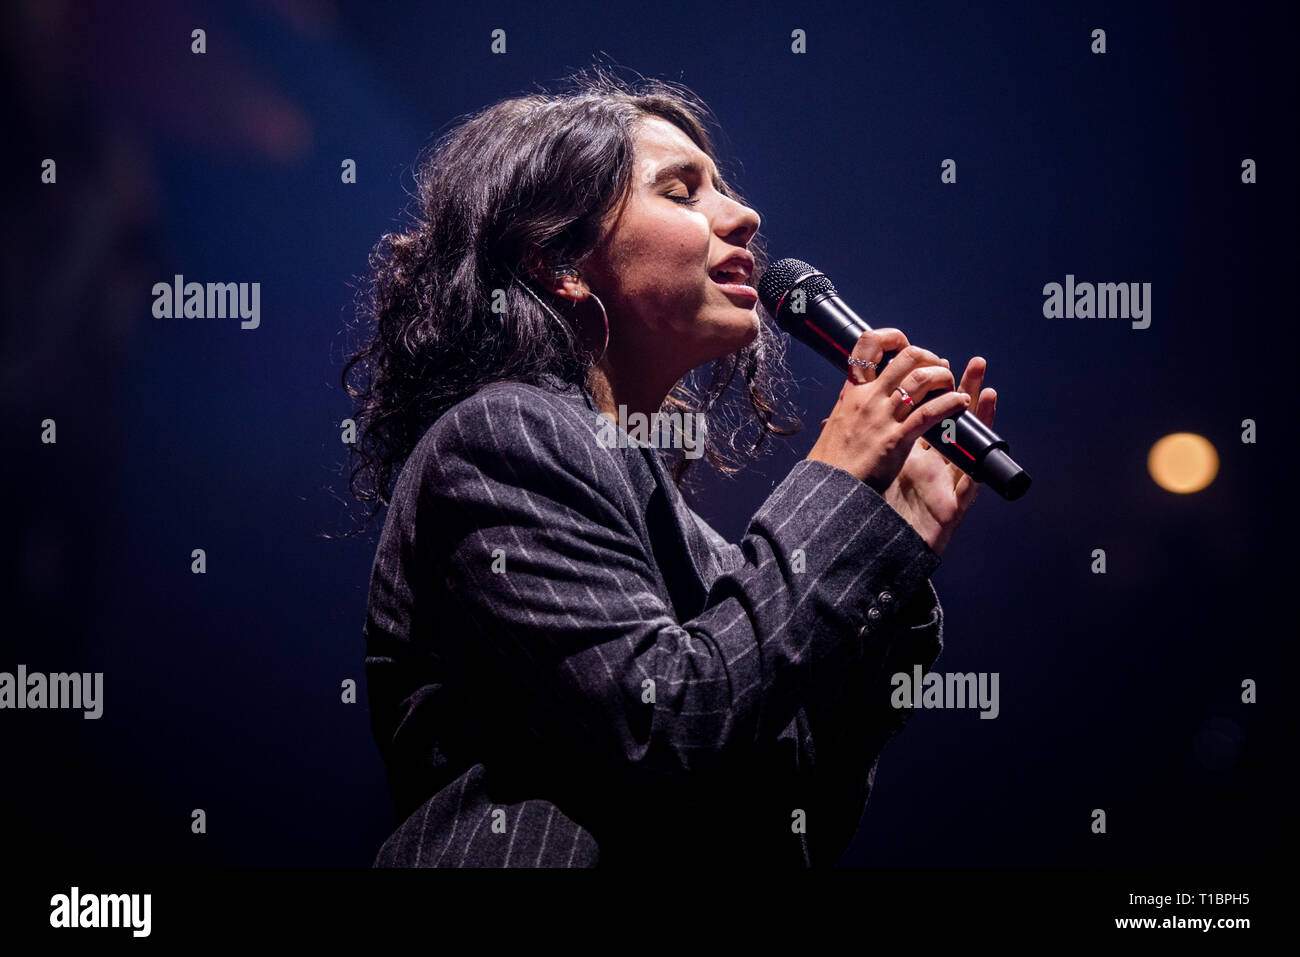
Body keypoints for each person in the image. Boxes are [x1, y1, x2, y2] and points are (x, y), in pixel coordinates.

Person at [343, 68, 997, 868]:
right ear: (562, 261)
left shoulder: (706, 551)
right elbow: (670, 721)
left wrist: (892, 534)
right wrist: (834, 485)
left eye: (721, 186)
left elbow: (799, 814)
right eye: (682, 192)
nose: (746, 215)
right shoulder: (501, 438)